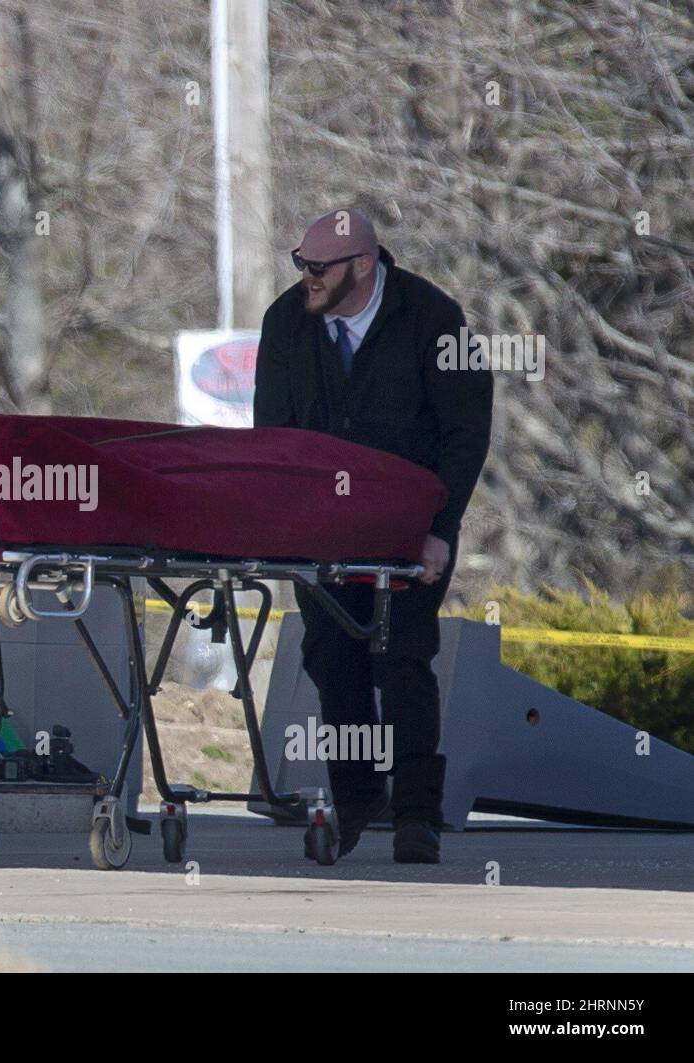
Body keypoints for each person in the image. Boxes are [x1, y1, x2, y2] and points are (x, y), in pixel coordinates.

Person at [253, 208, 492, 863]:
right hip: (322, 529)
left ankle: (418, 814)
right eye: (299, 263)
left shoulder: (433, 318)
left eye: (318, 267)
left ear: (363, 264)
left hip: (409, 525)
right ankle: (357, 801)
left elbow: (466, 431)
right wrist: (281, 527)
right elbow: (272, 434)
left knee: (404, 659)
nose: (306, 277)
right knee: (333, 660)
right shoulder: (287, 321)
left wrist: (439, 531)